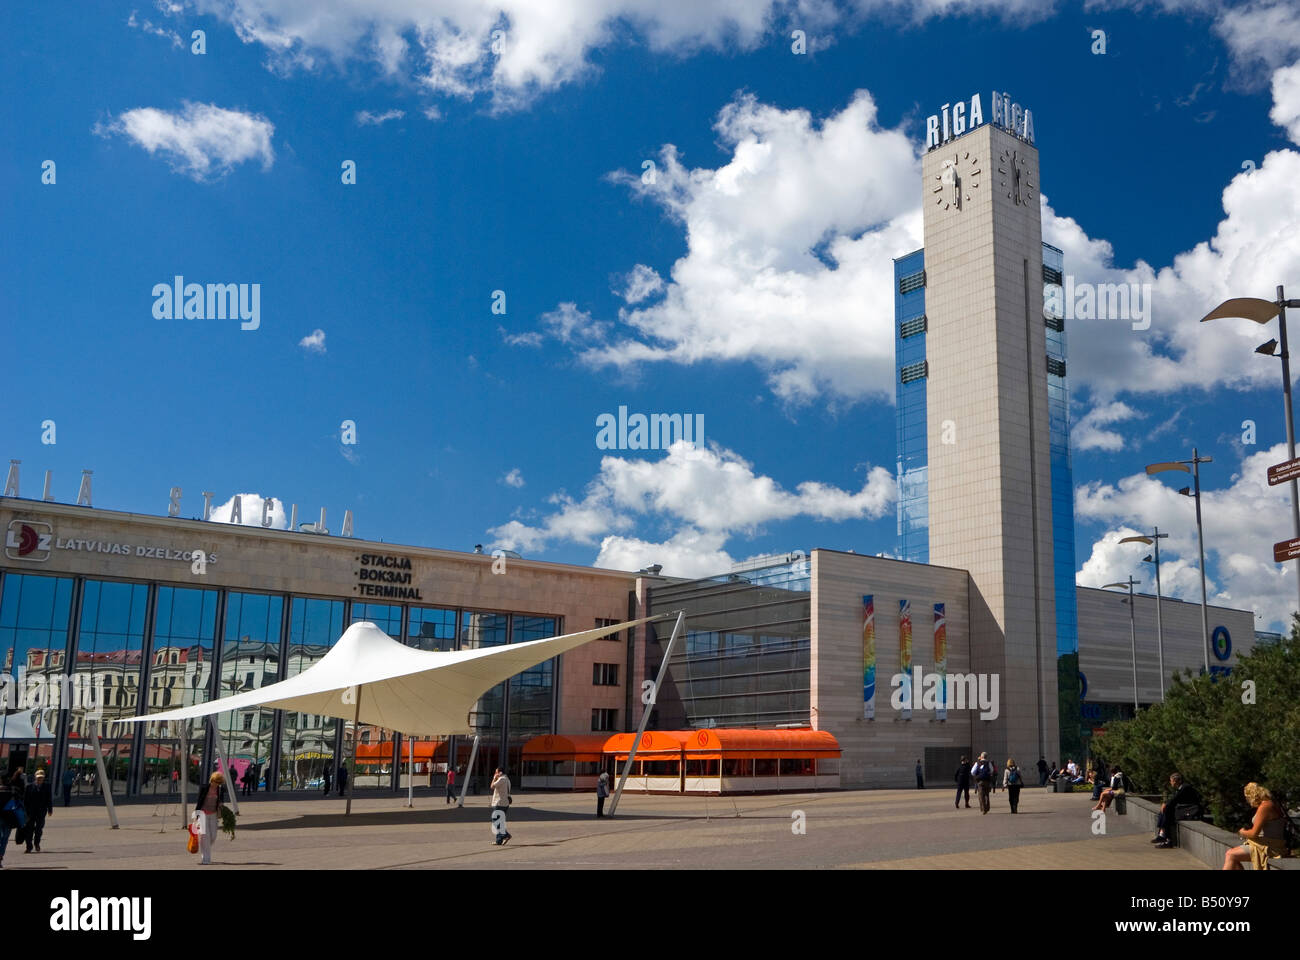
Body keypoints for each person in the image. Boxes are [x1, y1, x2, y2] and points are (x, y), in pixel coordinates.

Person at [1223, 782, 1285, 870]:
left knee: (1230, 854)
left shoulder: (1265, 807)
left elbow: (1254, 833)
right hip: (1269, 843)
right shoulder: (1271, 804)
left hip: (1268, 847)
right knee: (1231, 855)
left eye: (1248, 798)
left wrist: (1242, 832)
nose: (1248, 801)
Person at [1152, 772, 1201, 848]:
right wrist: (1165, 803)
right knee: (1166, 810)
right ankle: (1162, 835)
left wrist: (1165, 804)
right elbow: (1173, 798)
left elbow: (1175, 799)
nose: (1170, 782)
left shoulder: (1185, 787)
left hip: (1190, 811)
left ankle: (1166, 838)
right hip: (1185, 808)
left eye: (1171, 781)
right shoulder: (1181, 787)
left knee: (1167, 810)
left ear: (1175, 781)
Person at [194, 772, 227, 866]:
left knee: (213, 836)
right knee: (205, 836)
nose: (216, 784)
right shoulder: (204, 788)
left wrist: (221, 804)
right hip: (203, 814)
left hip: (213, 814)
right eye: (215, 782)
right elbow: (199, 802)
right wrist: (196, 816)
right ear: (212, 780)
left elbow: (221, 800)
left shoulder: (220, 789)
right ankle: (206, 859)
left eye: (218, 783)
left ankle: (205, 848)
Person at [23, 769, 54, 853]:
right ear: (35, 777)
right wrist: (24, 812)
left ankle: (37, 844)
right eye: (38, 777)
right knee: (29, 829)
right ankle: (29, 846)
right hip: (30, 812)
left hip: (41, 811)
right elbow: (25, 801)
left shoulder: (47, 786)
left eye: (41, 778)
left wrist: (50, 809)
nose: (40, 779)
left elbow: (49, 799)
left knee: (38, 829)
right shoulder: (29, 787)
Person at [0, 769, 24, 868]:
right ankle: (0, 856)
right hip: (10, 819)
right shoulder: (14, 789)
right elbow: (21, 799)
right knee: (5, 839)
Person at [490, 767, 512, 845]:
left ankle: (506, 835)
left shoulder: (501, 779)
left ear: (500, 772)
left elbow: (492, 786)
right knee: (501, 822)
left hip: (499, 803)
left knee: (495, 821)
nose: (495, 774)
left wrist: (494, 778)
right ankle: (499, 840)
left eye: (496, 772)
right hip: (505, 804)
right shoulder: (508, 779)